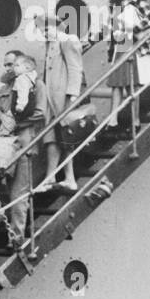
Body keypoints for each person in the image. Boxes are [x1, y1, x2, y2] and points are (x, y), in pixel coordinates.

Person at [92, 0, 150, 134]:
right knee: (116, 84)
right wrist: (92, 39)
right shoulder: (114, 4)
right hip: (120, 47)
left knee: (131, 86)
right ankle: (113, 121)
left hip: (135, 48)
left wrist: (134, 29)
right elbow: (111, 26)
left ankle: (134, 121)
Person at [34, 12, 83, 192]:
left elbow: (75, 68)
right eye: (42, 30)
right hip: (51, 99)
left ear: (56, 26)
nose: (45, 32)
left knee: (66, 137)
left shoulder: (67, 40)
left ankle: (69, 178)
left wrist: (73, 96)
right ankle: (50, 177)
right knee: (52, 137)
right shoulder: (50, 44)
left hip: (64, 98)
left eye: (47, 28)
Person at [5, 53, 49, 245]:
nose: (12, 68)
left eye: (16, 65)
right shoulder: (17, 85)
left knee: (19, 192)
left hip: (27, 142)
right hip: (11, 143)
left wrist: (18, 123)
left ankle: (16, 236)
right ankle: (15, 225)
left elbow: (40, 113)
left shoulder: (38, 85)